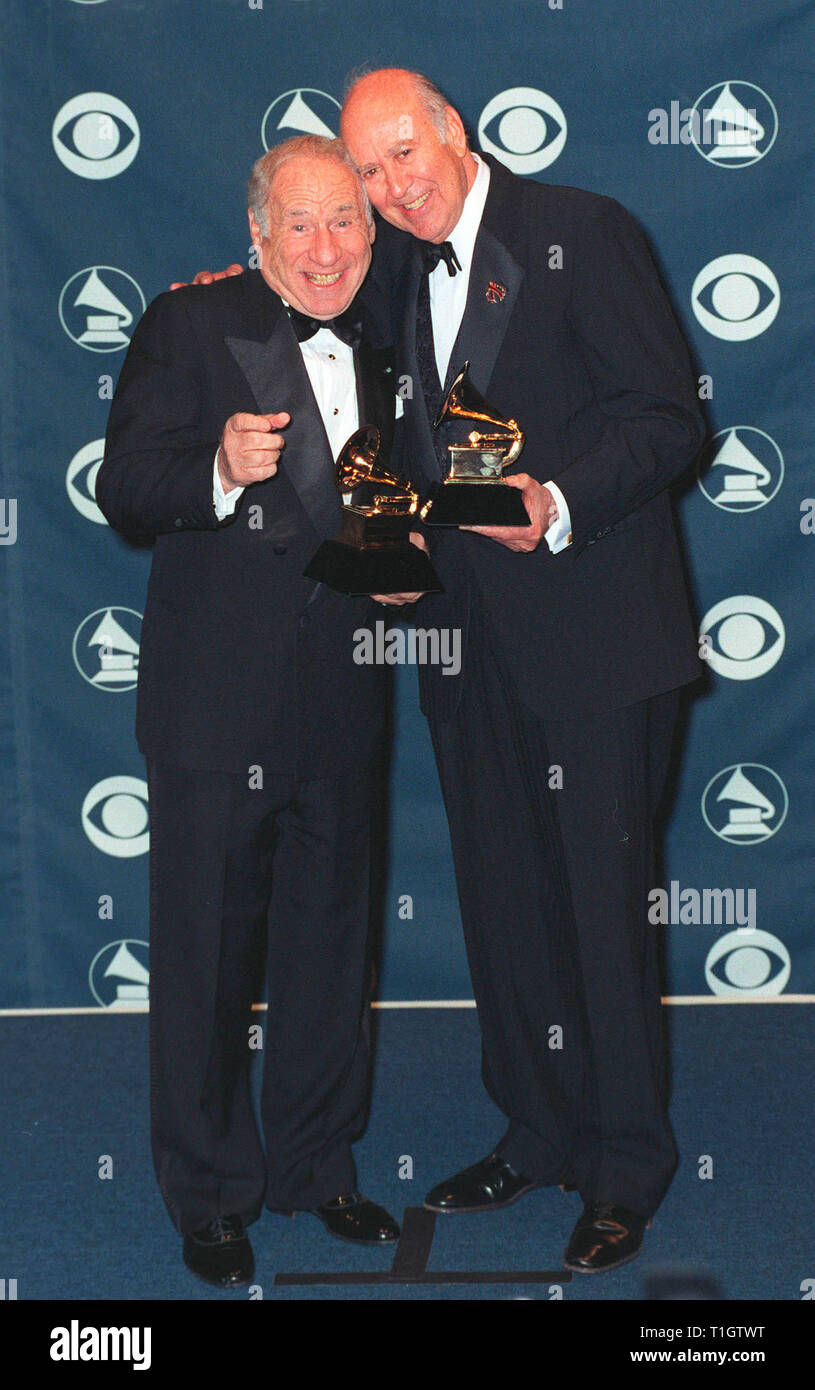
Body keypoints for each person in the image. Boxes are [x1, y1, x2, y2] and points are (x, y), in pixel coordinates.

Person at [183, 65, 706, 1275]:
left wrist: (560, 501)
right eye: (364, 173)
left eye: (401, 155)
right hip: (467, 650)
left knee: (596, 915)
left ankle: (625, 1164)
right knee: (505, 906)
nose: (386, 188)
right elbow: (311, 331)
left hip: (596, 644)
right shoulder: (398, 267)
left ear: (455, 134)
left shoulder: (579, 232)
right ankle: (538, 1126)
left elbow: (670, 419)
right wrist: (225, 296)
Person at [97, 134, 401, 1290]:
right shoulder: (187, 327)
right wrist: (219, 470)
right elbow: (125, 487)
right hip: (218, 709)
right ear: (259, 239)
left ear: (370, 236)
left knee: (329, 953)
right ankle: (211, 1192)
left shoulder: (389, 338)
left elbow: (402, 507)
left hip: (340, 702)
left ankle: (317, 1167)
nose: (324, 248)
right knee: (206, 963)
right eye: (301, 224)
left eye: (344, 223)